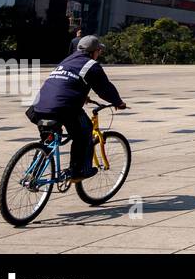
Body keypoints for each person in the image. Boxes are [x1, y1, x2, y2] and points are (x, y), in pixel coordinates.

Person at [26, 35, 127, 183]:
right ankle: (79, 171)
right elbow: (104, 88)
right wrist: (118, 102)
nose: (99, 54)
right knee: (84, 132)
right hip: (63, 108)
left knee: (48, 140)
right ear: (94, 51)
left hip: (39, 107)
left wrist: (82, 96)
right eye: (99, 51)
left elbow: (65, 82)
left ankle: (33, 174)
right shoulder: (91, 65)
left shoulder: (67, 61)